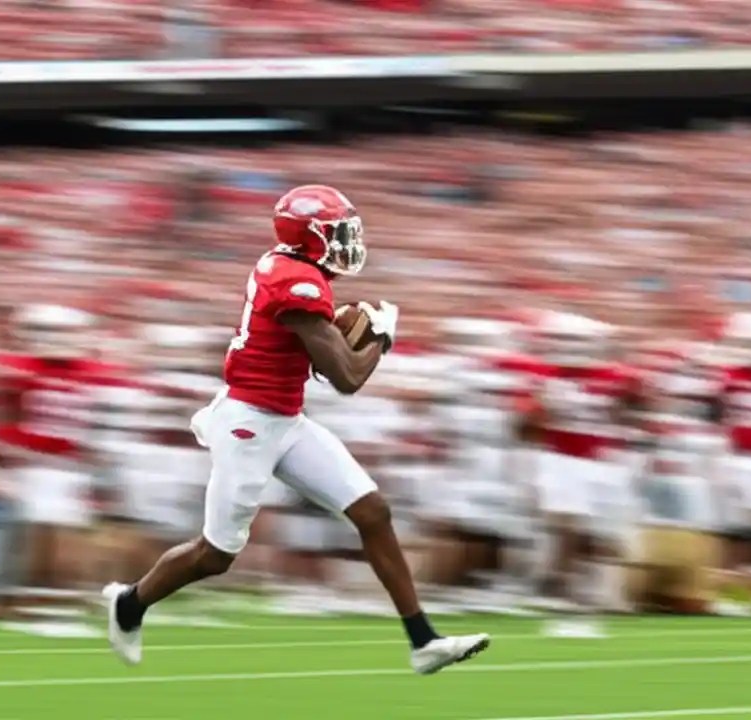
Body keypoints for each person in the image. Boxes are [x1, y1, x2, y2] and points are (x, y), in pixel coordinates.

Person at [103, 185, 490, 675]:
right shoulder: (296, 281)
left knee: (372, 511)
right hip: (248, 425)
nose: (347, 241)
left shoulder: (296, 270)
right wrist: (382, 338)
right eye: (336, 232)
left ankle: (423, 641)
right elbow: (347, 378)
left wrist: (349, 334)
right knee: (215, 555)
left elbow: (326, 358)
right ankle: (130, 604)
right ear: (309, 236)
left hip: (284, 419)